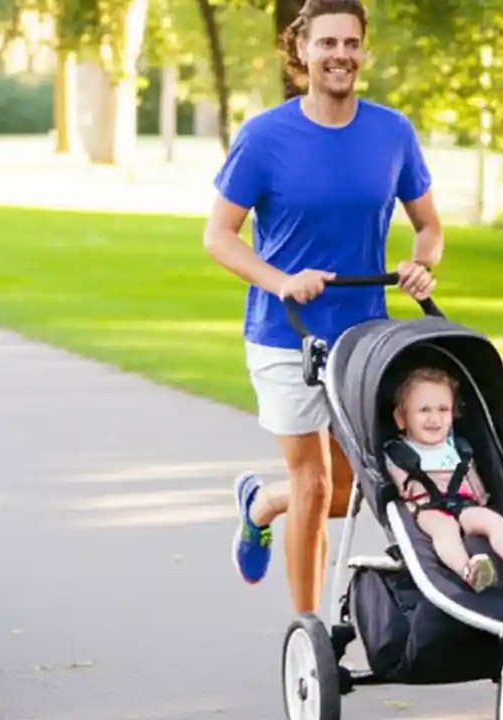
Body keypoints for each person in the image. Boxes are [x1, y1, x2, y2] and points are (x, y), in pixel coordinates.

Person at [201, 0, 442, 615]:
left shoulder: (392, 133)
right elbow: (219, 237)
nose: (341, 55)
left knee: (356, 489)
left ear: (363, 51)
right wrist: (281, 281)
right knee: (314, 482)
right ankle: (307, 635)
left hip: (365, 338)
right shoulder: (264, 137)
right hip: (287, 335)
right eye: (328, 43)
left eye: (352, 44)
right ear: (301, 50)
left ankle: (259, 503)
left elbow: (429, 226)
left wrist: (421, 263)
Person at [384, 367, 503, 593]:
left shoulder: (459, 447)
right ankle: (467, 570)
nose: (434, 419)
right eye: (424, 410)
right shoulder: (398, 451)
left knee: (493, 521)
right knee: (445, 530)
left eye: (443, 409)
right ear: (401, 418)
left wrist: (482, 499)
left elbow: (472, 477)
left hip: (465, 503)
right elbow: (397, 484)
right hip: (428, 507)